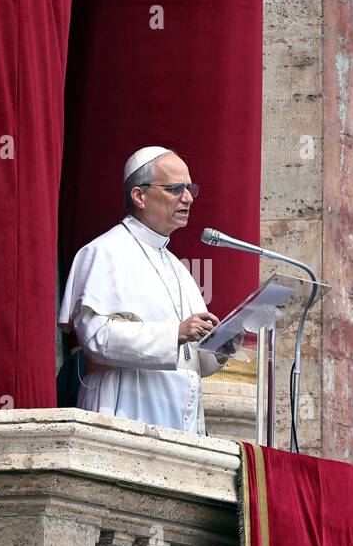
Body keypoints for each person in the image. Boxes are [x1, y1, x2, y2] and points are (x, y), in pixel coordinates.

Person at [57, 145, 237, 433]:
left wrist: (219, 348)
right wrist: (174, 333)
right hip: (127, 408)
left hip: (180, 420)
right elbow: (96, 339)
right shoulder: (104, 252)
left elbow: (192, 362)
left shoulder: (177, 268)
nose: (188, 198)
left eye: (190, 188)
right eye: (175, 188)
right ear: (139, 196)